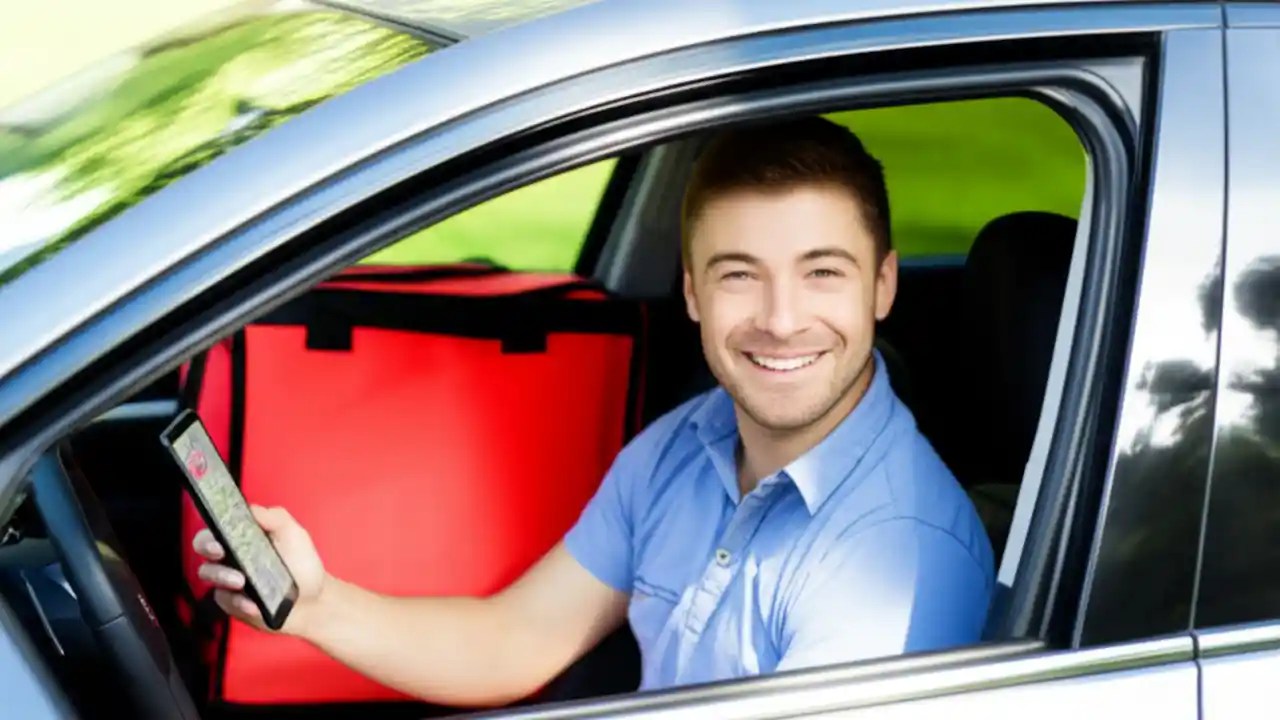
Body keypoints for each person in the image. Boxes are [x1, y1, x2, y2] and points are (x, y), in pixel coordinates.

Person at [193, 116, 995, 706]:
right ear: (691, 291)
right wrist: (315, 604)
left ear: (883, 285)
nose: (781, 319)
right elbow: (515, 639)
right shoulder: (686, 444)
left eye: (822, 273)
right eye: (739, 275)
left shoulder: (893, 561)